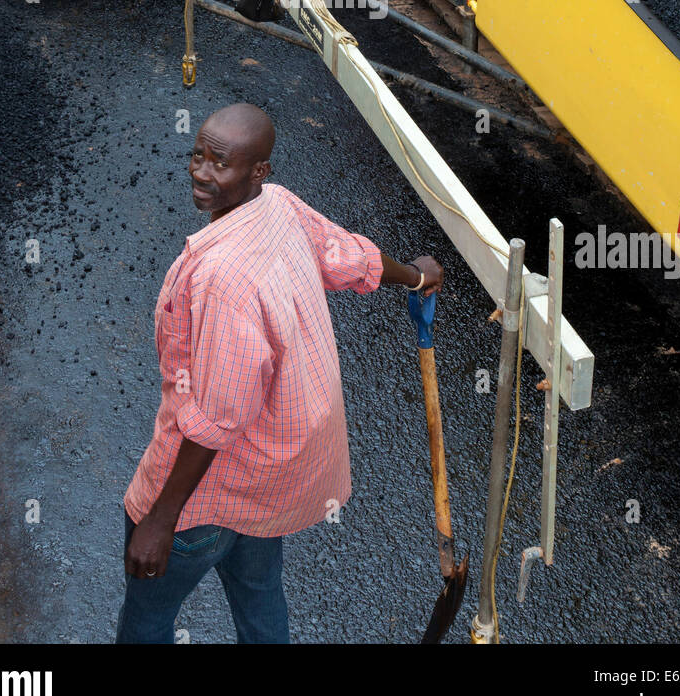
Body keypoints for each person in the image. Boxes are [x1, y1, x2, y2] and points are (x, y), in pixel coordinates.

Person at [116, 103, 445, 645]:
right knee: (261, 597)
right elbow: (344, 256)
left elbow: (218, 420)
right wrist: (415, 277)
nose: (201, 172)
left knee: (148, 619)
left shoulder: (222, 280)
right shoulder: (278, 206)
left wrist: (159, 519)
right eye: (198, 155)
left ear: (257, 172)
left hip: (205, 494)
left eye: (219, 164)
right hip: (267, 484)